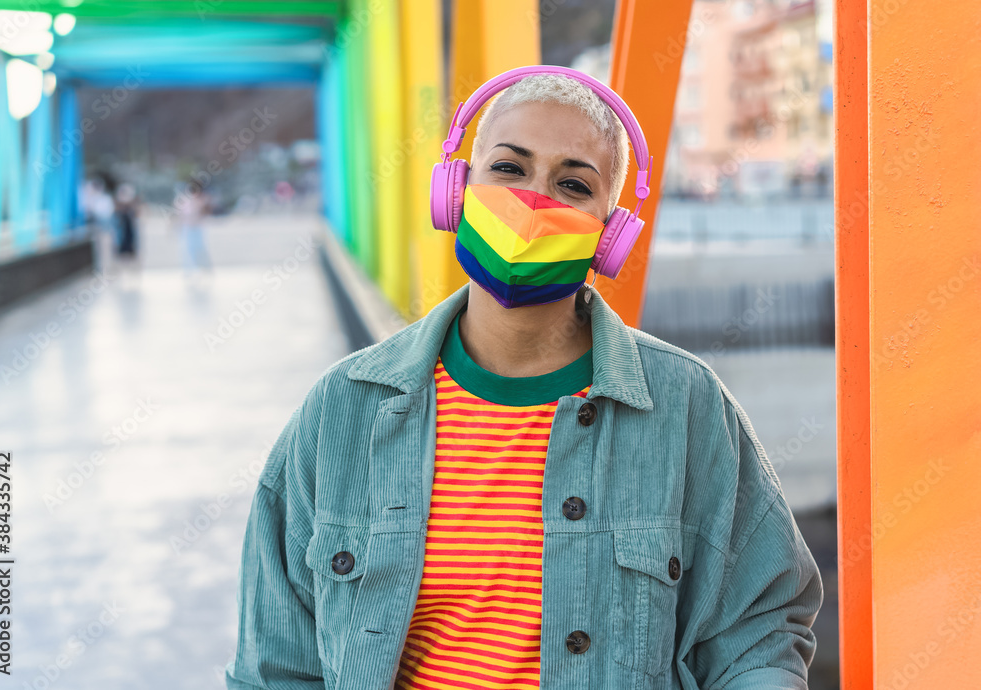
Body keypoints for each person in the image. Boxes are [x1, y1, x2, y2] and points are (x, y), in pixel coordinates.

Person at [225, 66, 822, 689]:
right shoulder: (342, 410)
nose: (534, 201)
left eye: (572, 184)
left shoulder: (686, 405)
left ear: (608, 235)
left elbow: (759, 630)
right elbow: (274, 665)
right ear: (456, 190)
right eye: (508, 168)